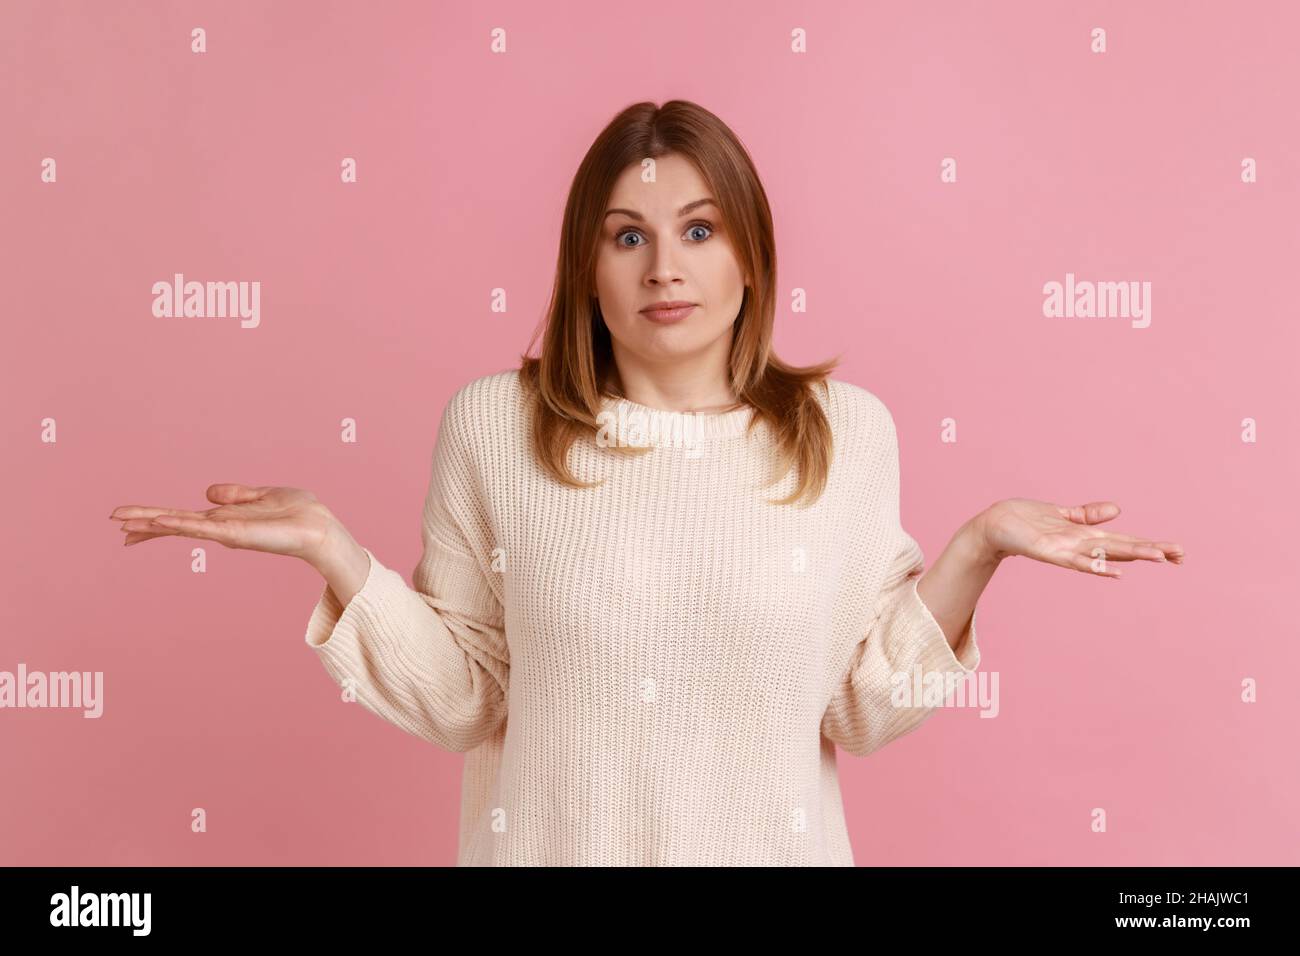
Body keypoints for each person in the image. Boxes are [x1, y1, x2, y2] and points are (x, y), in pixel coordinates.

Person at [110, 100, 1184, 866]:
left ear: (750, 255)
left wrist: (974, 551)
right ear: (587, 262)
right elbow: (465, 699)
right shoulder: (495, 425)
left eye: (698, 231)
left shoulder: (845, 437)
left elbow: (858, 710)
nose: (663, 268)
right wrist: (338, 556)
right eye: (627, 236)